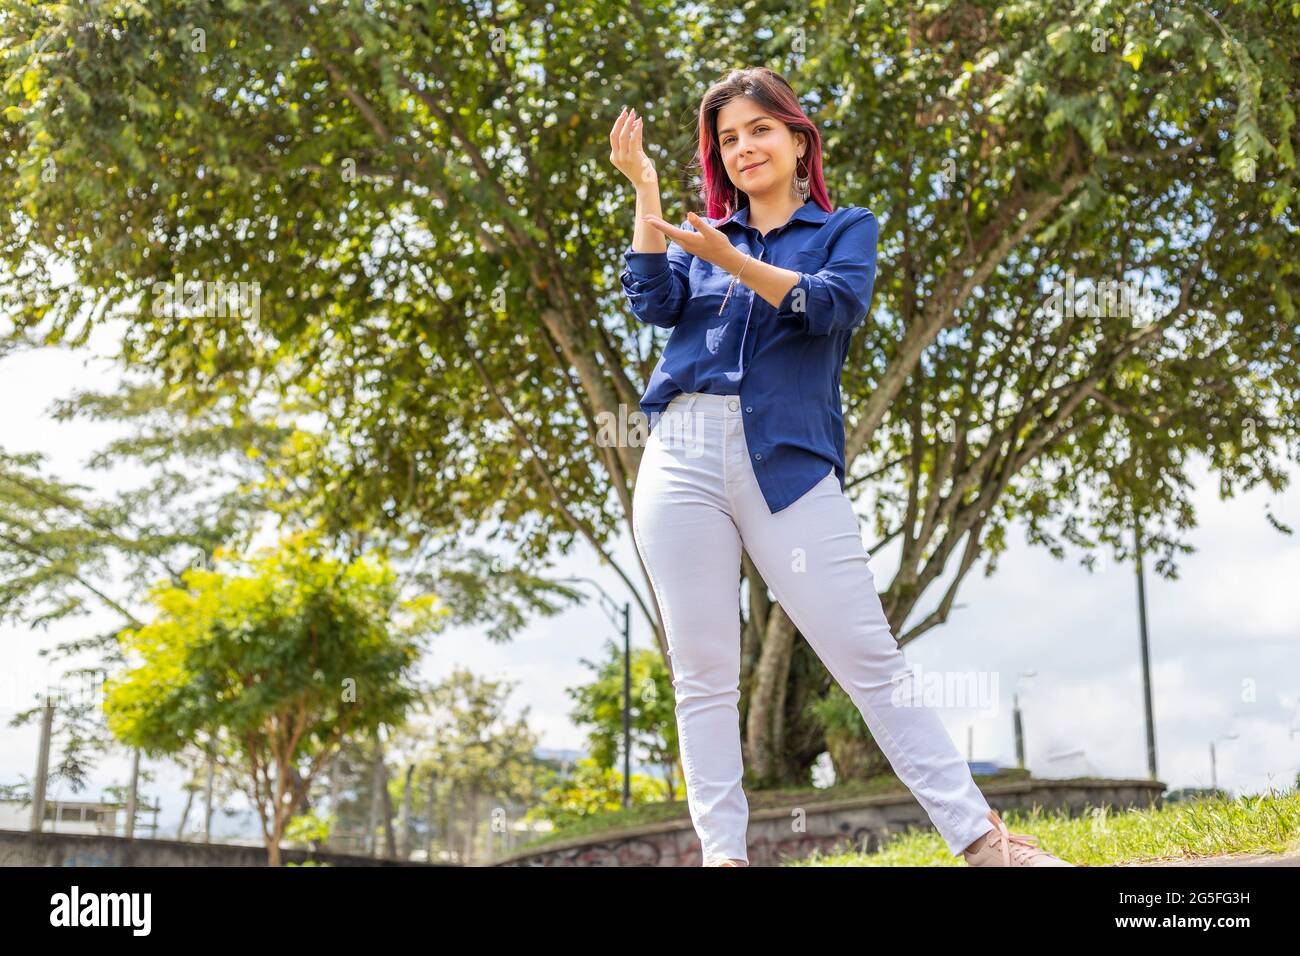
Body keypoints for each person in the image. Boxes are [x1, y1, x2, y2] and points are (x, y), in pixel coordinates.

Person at [608, 67, 1075, 868]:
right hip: (680, 455)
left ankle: (987, 845)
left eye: (760, 129)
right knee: (704, 670)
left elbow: (829, 305)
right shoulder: (702, 238)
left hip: (786, 461)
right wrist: (646, 190)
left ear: (797, 139)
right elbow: (649, 299)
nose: (744, 147)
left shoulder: (844, 227)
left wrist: (735, 259)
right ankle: (724, 858)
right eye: (728, 138)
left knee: (868, 657)